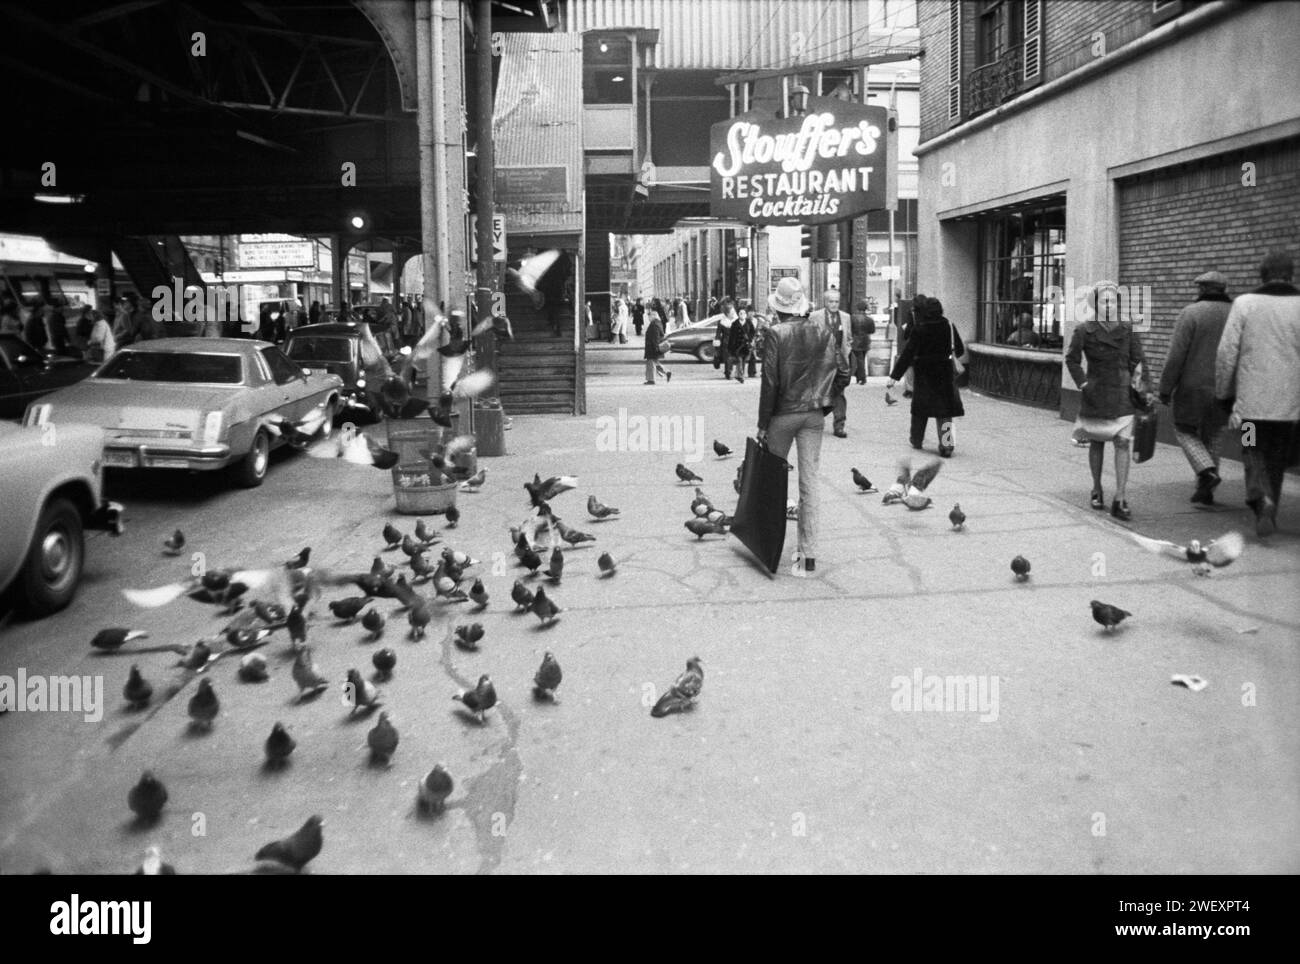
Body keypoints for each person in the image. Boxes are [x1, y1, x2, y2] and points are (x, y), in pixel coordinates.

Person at [756, 277, 850, 575]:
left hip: (782, 414)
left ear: (778, 307)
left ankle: (768, 549)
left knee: (773, 482)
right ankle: (806, 558)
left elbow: (770, 382)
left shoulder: (776, 333)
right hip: (813, 415)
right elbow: (844, 371)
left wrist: (762, 423)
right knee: (809, 483)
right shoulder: (824, 330)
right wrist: (827, 401)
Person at [1215, 251, 1300, 537]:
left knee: (1251, 448)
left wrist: (1223, 393)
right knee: (1276, 456)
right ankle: (1269, 507)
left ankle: (1257, 494)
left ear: (1261, 275)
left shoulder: (1245, 304)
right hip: (1288, 408)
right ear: (1291, 275)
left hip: (1251, 407)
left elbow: (1227, 353)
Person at [1064, 281, 1149, 521]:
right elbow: (1071, 359)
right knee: (1097, 443)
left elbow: (1138, 361)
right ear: (1096, 304)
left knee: (1122, 443)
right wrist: (1083, 383)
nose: (1109, 304)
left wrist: (1145, 390)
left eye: (1112, 300)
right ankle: (1097, 488)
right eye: (1104, 300)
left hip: (1122, 394)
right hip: (1097, 393)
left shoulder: (1128, 329)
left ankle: (1120, 498)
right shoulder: (1084, 330)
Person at [1158, 270, 1234, 506]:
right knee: (1212, 435)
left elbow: (1176, 355)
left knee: (1185, 430)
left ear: (1201, 289)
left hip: (1193, 388)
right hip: (1225, 389)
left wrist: (1165, 387)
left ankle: (1206, 473)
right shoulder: (1235, 314)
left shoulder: (1191, 313)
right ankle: (1206, 492)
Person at [887, 295, 966, 458]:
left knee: (920, 410)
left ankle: (916, 439)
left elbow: (907, 354)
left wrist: (894, 376)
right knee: (945, 412)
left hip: (924, 373)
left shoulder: (920, 329)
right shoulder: (949, 326)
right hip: (944, 373)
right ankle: (947, 445)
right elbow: (959, 349)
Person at [809, 290, 852, 437]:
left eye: (836, 302)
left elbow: (849, 337)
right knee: (819, 392)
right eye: (831, 301)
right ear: (825, 302)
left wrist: (846, 352)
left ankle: (839, 425)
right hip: (821, 361)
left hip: (840, 362)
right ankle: (815, 422)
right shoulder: (815, 316)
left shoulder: (846, 317)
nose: (834, 304)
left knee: (839, 393)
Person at [848, 298, 876, 385]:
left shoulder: (852, 318)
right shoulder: (869, 319)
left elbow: (849, 329)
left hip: (856, 340)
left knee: (860, 359)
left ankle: (862, 377)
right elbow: (872, 331)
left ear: (857, 308)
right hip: (866, 341)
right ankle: (858, 374)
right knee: (862, 359)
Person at [643, 305, 671, 385]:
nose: (648, 318)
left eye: (649, 316)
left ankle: (651, 380)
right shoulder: (658, 323)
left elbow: (655, 337)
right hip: (653, 346)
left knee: (650, 364)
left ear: (653, 316)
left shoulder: (654, 325)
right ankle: (667, 372)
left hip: (652, 347)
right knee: (654, 362)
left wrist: (655, 348)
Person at [726, 301, 752, 383]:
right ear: (738, 314)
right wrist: (730, 347)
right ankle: (740, 376)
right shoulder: (735, 323)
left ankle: (740, 375)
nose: (742, 314)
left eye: (744, 313)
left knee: (743, 361)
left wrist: (750, 339)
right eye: (741, 313)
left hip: (746, 346)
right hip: (737, 346)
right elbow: (731, 336)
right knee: (739, 360)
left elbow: (752, 332)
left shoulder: (748, 322)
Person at [712, 298, 738, 377]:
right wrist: (717, 344)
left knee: (732, 358)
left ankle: (730, 371)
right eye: (732, 312)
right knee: (728, 358)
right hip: (726, 343)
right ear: (727, 313)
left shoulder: (736, 321)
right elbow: (718, 334)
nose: (733, 313)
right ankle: (728, 372)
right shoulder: (722, 322)